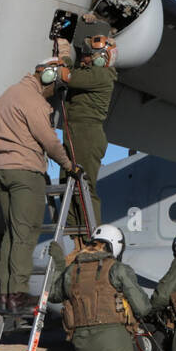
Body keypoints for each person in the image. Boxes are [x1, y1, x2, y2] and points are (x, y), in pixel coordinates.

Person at [0, 58, 75, 317]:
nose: (53, 92)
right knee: (25, 236)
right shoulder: (33, 101)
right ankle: (17, 297)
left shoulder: (8, 95)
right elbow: (48, 139)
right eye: (54, 85)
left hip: (0, 170)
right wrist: (68, 164)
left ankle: (4, 296)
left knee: (12, 235)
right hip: (25, 173)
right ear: (46, 76)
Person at [55, 13, 117, 230]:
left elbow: (67, 76)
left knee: (84, 187)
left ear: (101, 58)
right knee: (68, 184)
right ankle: (77, 238)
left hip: (87, 134)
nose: (84, 58)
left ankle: (92, 237)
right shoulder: (93, 73)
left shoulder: (101, 76)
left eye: (88, 56)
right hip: (76, 132)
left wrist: (64, 53)